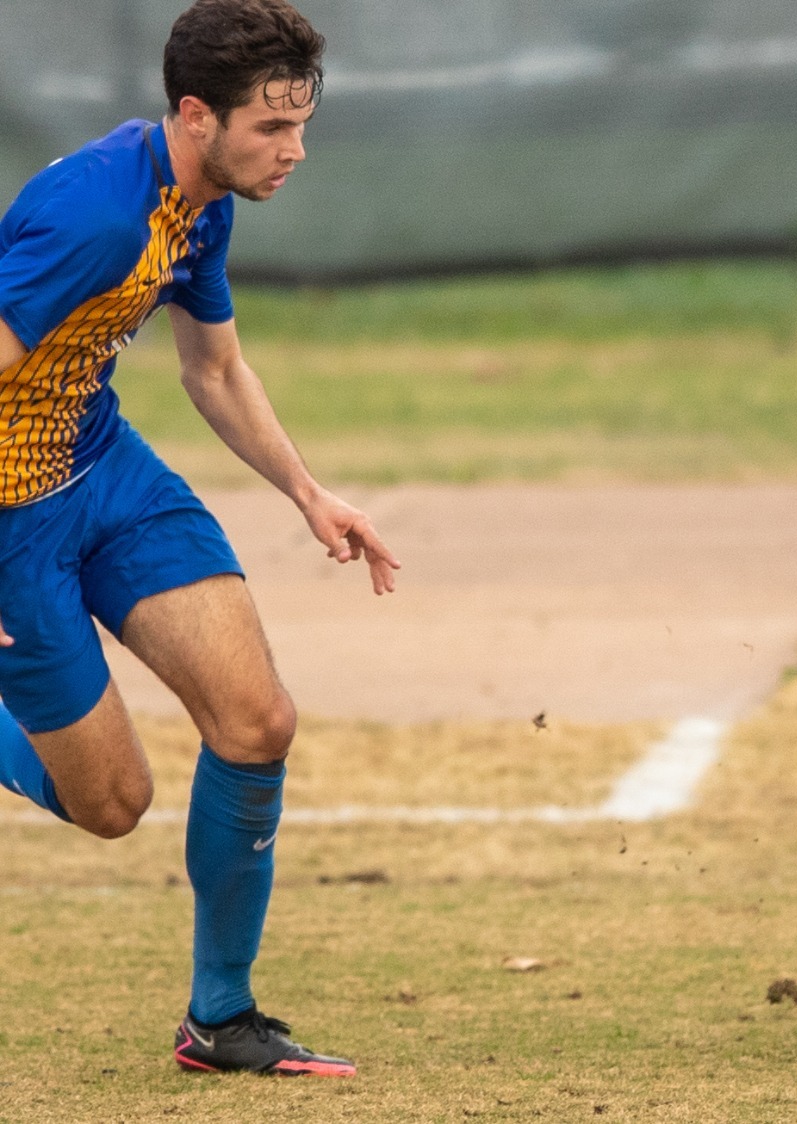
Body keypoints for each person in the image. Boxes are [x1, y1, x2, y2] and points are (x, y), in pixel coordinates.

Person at [0, 0, 394, 1077]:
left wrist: (308, 494)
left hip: (103, 469)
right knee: (112, 805)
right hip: (8, 519)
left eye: (300, 123)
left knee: (258, 720)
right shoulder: (96, 216)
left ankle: (220, 1021)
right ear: (194, 114)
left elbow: (213, 368)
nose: (294, 149)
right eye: (272, 127)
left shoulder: (203, 201)